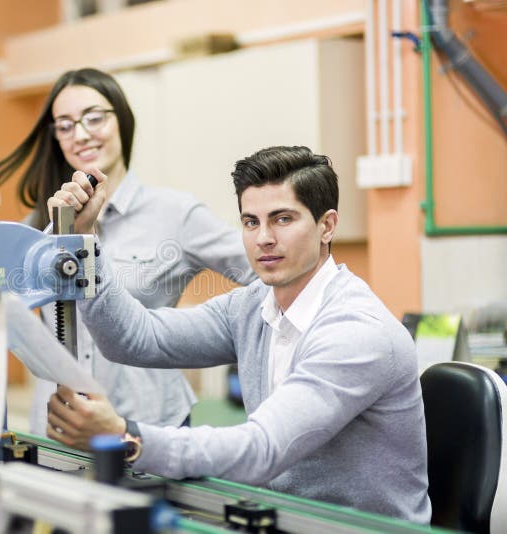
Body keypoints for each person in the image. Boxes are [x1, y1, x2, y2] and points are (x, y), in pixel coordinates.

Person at [45, 146, 431, 523]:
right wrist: (83, 242)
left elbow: (261, 449)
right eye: (251, 222)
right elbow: (136, 338)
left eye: (282, 219)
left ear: (327, 225)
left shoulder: (356, 332)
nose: (263, 238)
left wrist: (125, 436)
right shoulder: (252, 306)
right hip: (286, 520)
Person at [0, 68, 256, 434]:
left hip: (147, 427)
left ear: (122, 120)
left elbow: (265, 268)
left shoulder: (175, 213)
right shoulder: (44, 221)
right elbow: (11, 310)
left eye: (94, 117)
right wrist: (61, 227)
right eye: (65, 125)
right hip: (57, 427)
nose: (81, 134)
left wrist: (237, 340)